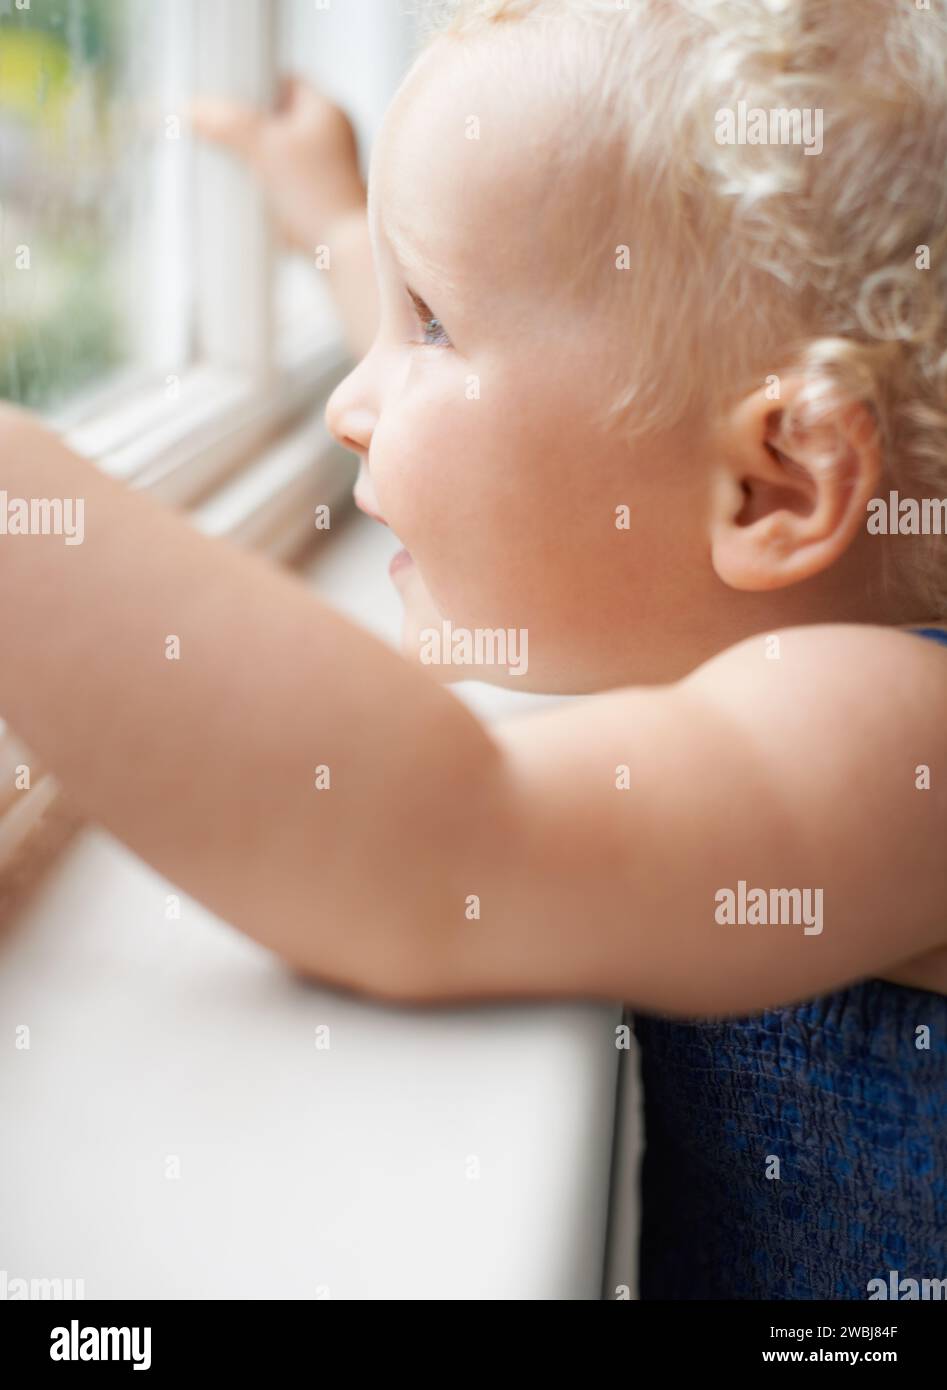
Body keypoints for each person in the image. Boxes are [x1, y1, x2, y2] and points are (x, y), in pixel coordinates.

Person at [1, 0, 945, 1298]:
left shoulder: (901, 735)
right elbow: (548, 376)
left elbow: (441, 844)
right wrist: (346, 226)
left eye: (428, 321)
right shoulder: (792, 635)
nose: (347, 402)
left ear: (775, 490)